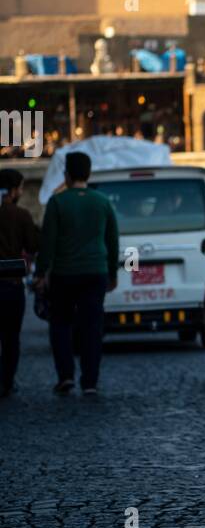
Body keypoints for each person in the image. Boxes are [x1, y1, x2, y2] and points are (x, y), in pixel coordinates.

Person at [33, 150, 119, 396]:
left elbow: (47, 243)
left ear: (67, 175)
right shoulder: (102, 202)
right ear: (88, 174)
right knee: (92, 327)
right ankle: (90, 381)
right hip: (95, 272)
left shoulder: (58, 202)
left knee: (60, 324)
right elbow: (112, 241)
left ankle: (66, 376)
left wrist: (40, 273)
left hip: (64, 273)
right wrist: (113, 272)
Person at [0, 169, 40, 397]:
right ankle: (7, 380)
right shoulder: (21, 215)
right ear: (14, 190)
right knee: (11, 338)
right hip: (11, 283)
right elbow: (33, 245)